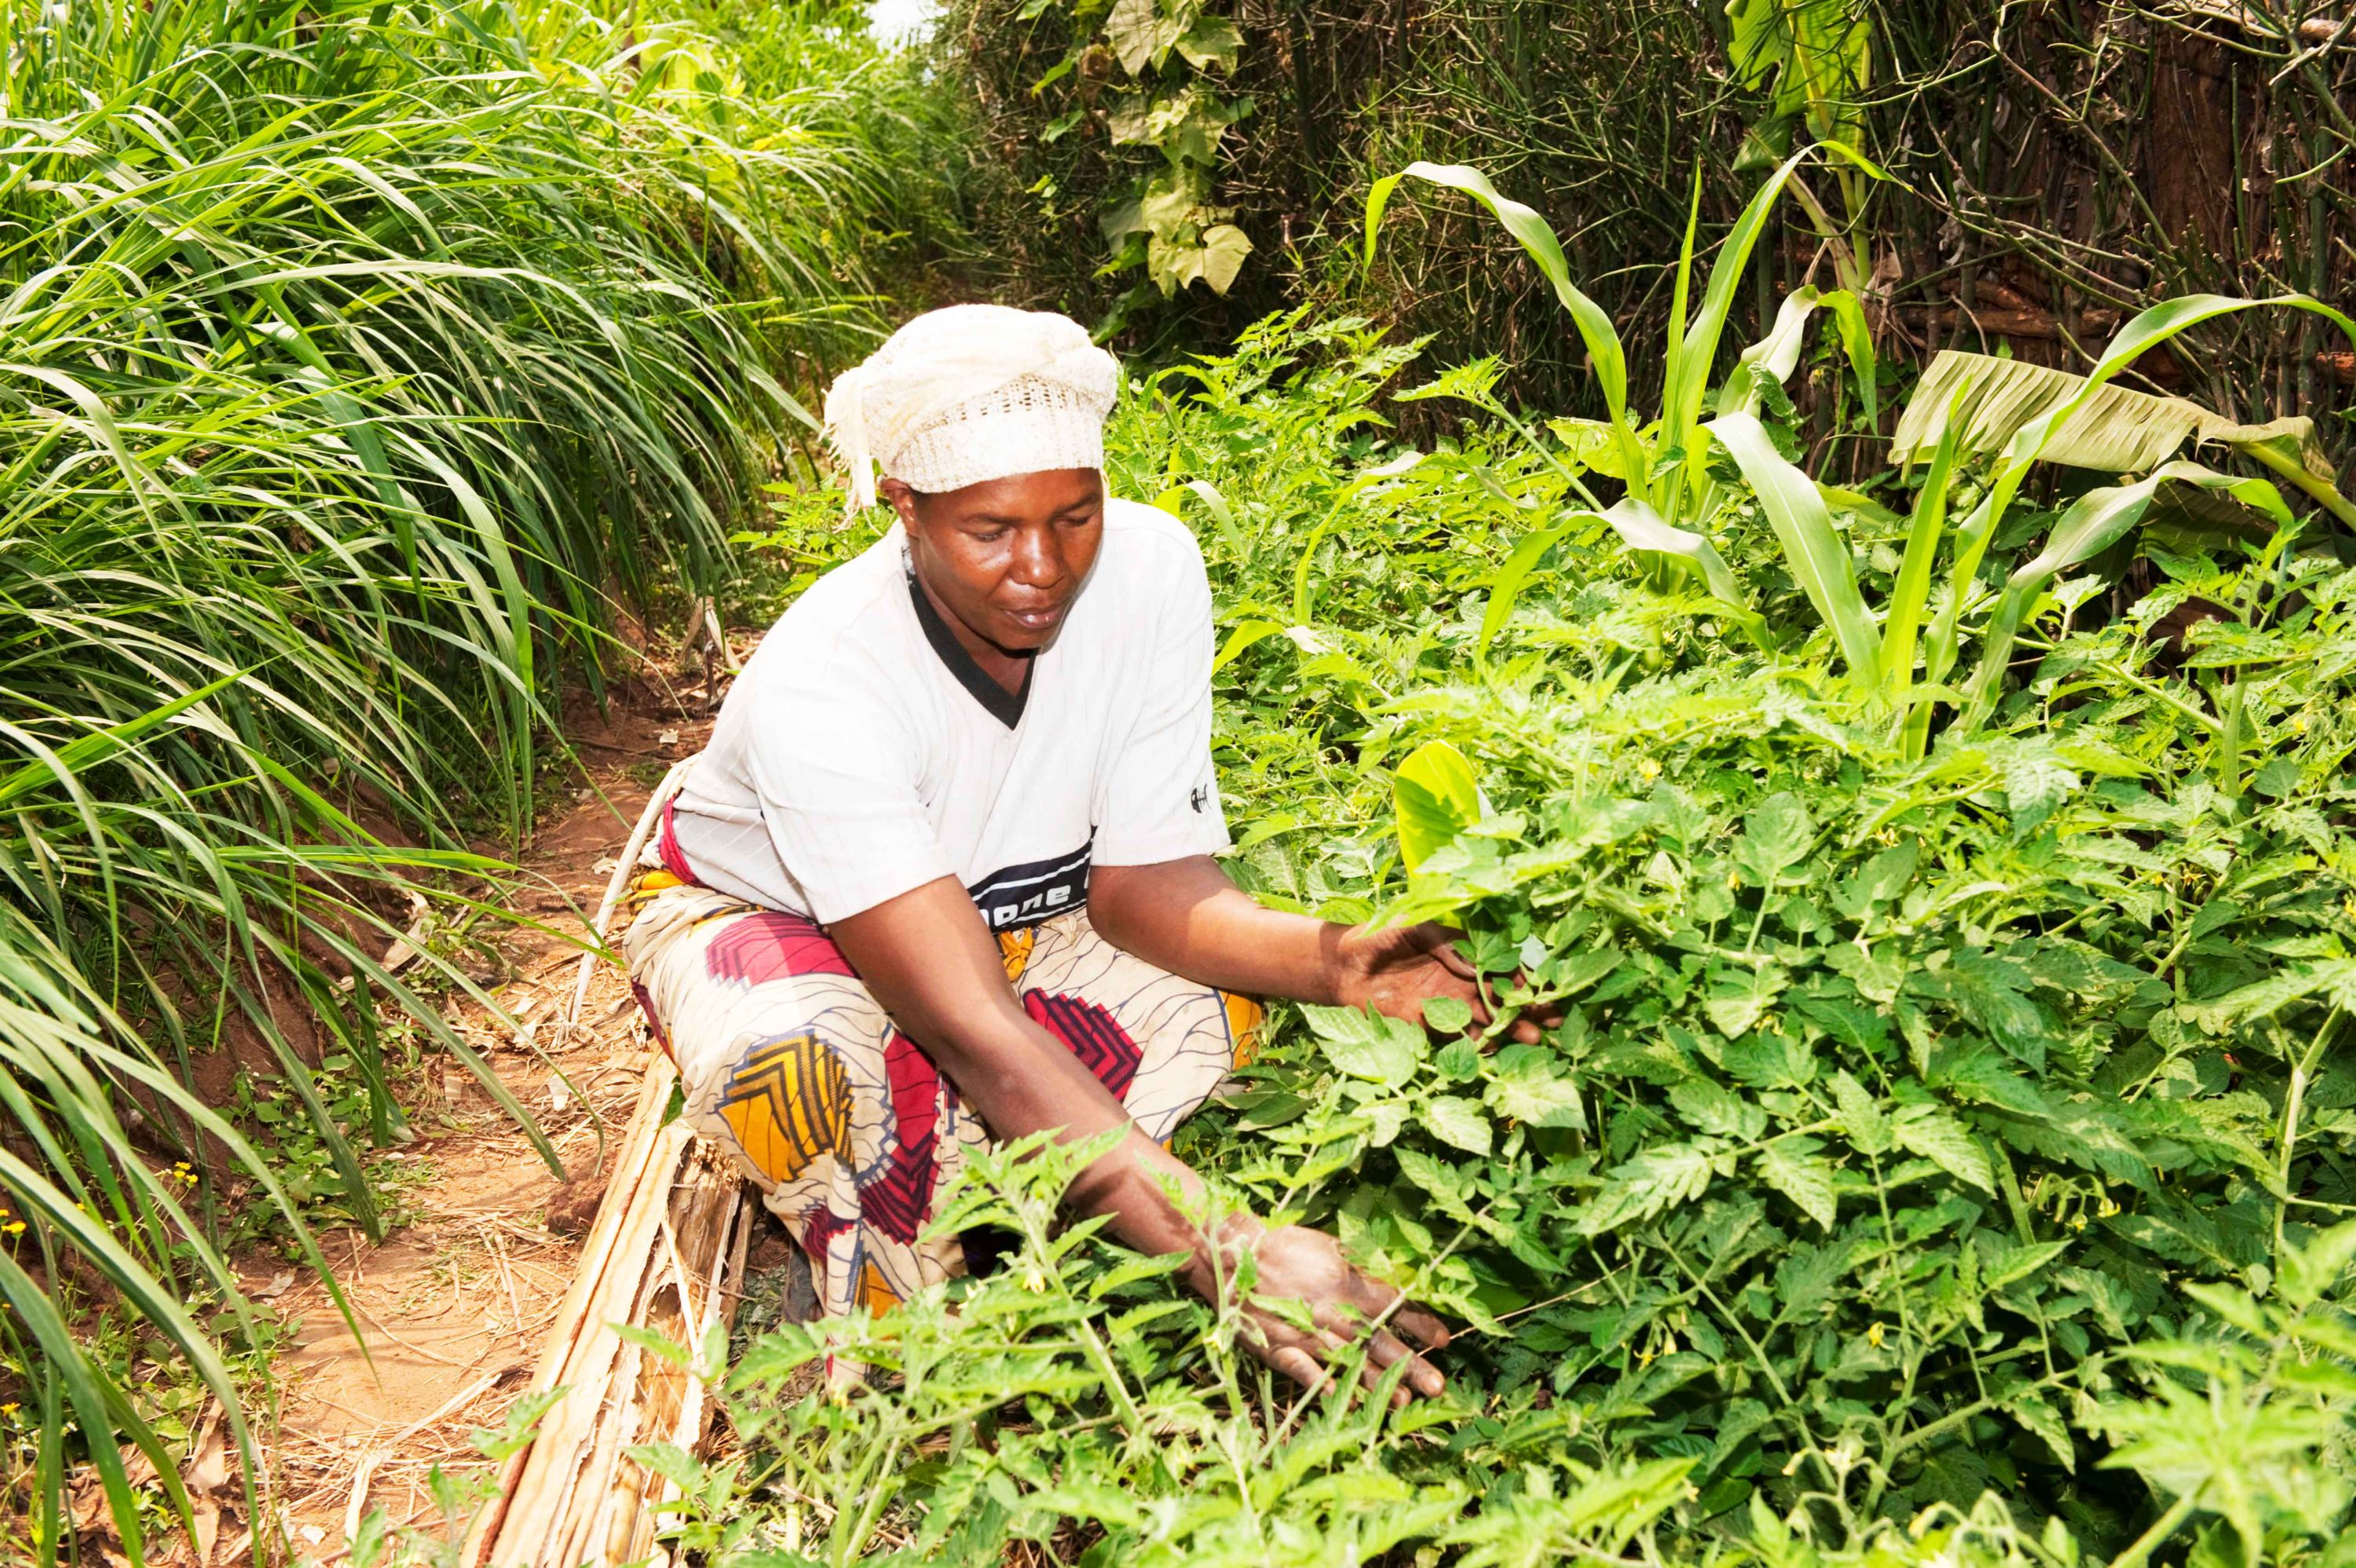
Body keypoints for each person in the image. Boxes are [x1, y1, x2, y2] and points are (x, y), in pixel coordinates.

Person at [624, 305, 1519, 1403]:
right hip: (767, 921)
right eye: (989, 530)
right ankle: (911, 1327)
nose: (1041, 567)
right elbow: (972, 1021)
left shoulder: (1149, 572)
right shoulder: (830, 677)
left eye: (1075, 515)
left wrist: (1342, 962)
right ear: (905, 506)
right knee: (808, 1067)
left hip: (1000, 919)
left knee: (1221, 999)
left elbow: (1148, 886)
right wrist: (1222, 1244)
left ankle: (1033, 1185)